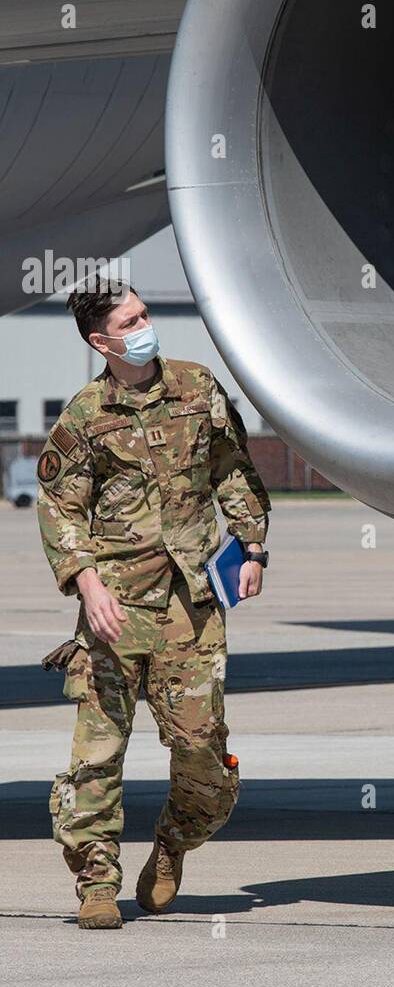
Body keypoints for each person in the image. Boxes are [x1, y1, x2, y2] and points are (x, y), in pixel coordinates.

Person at [37, 281, 271, 930]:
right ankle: (96, 881)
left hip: (193, 603)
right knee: (98, 751)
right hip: (114, 606)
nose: (145, 325)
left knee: (201, 749)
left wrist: (252, 548)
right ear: (100, 341)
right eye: (130, 320)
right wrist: (86, 583)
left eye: (144, 313)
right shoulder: (85, 416)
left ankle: (173, 843)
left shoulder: (198, 388)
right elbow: (61, 508)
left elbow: (231, 468)